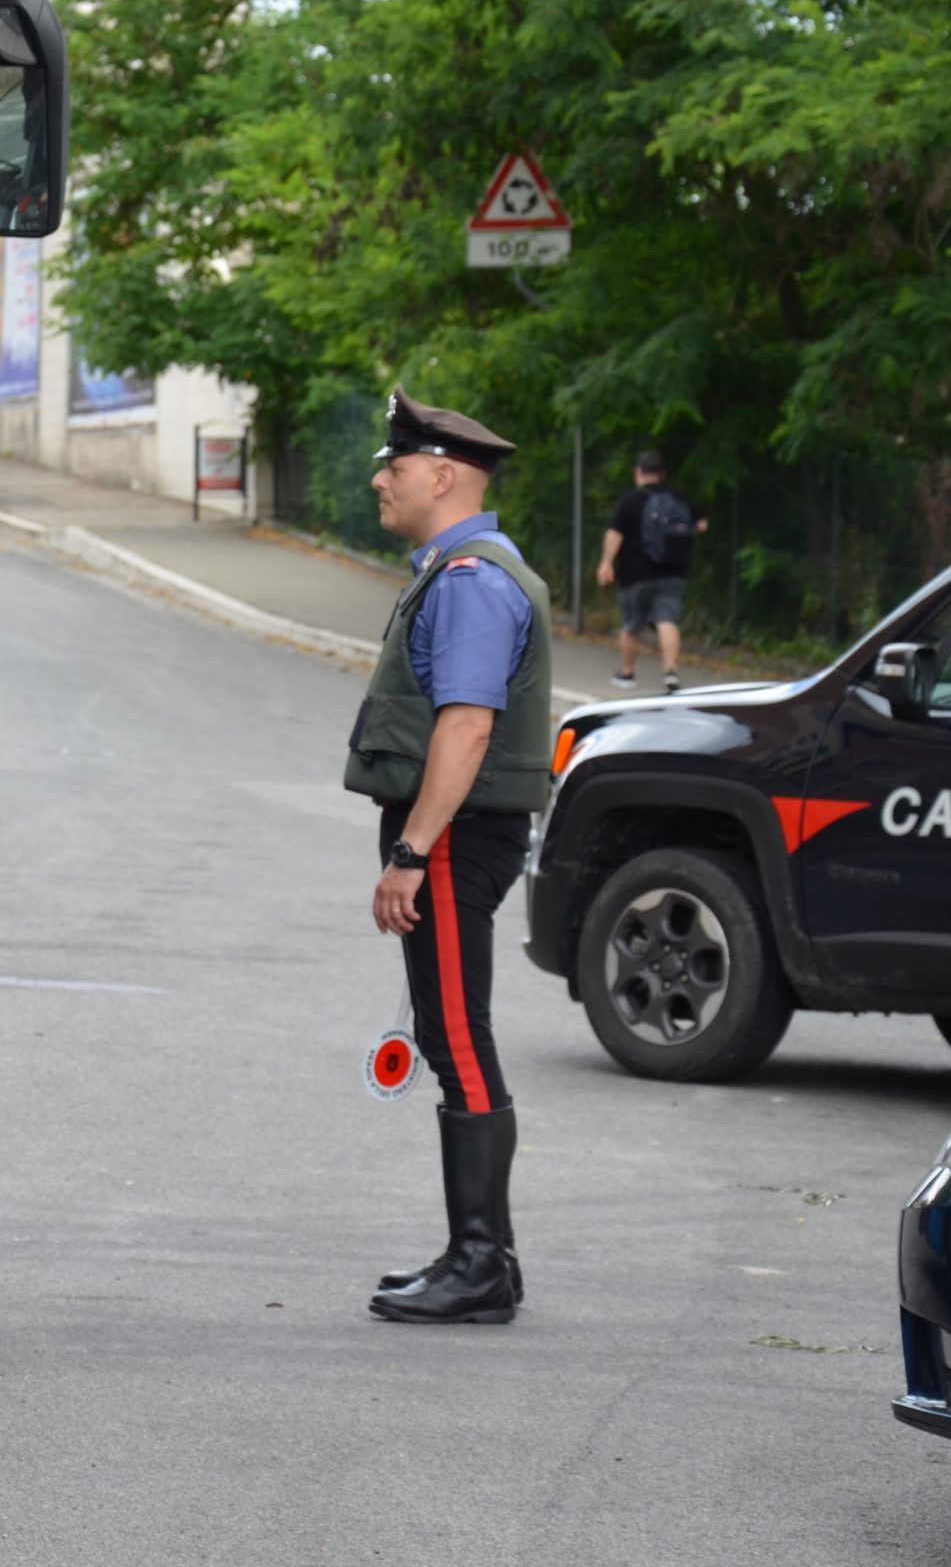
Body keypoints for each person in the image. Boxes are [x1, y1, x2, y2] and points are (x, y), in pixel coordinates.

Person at [348, 388, 552, 1326]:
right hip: (456, 834)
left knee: (460, 1041)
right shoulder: (459, 568)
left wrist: (410, 851)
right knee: (449, 1034)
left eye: (393, 467)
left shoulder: (471, 578)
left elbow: (467, 729)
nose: (380, 480)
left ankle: (479, 1264)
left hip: (454, 837)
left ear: (441, 474)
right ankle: (486, 1258)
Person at [597, 451, 706, 691]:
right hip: (674, 571)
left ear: (638, 472)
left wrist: (606, 562)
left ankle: (627, 673)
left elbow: (615, 534)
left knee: (631, 624)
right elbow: (701, 524)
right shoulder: (679, 498)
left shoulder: (630, 501)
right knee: (667, 619)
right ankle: (671, 671)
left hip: (636, 572)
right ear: (663, 474)